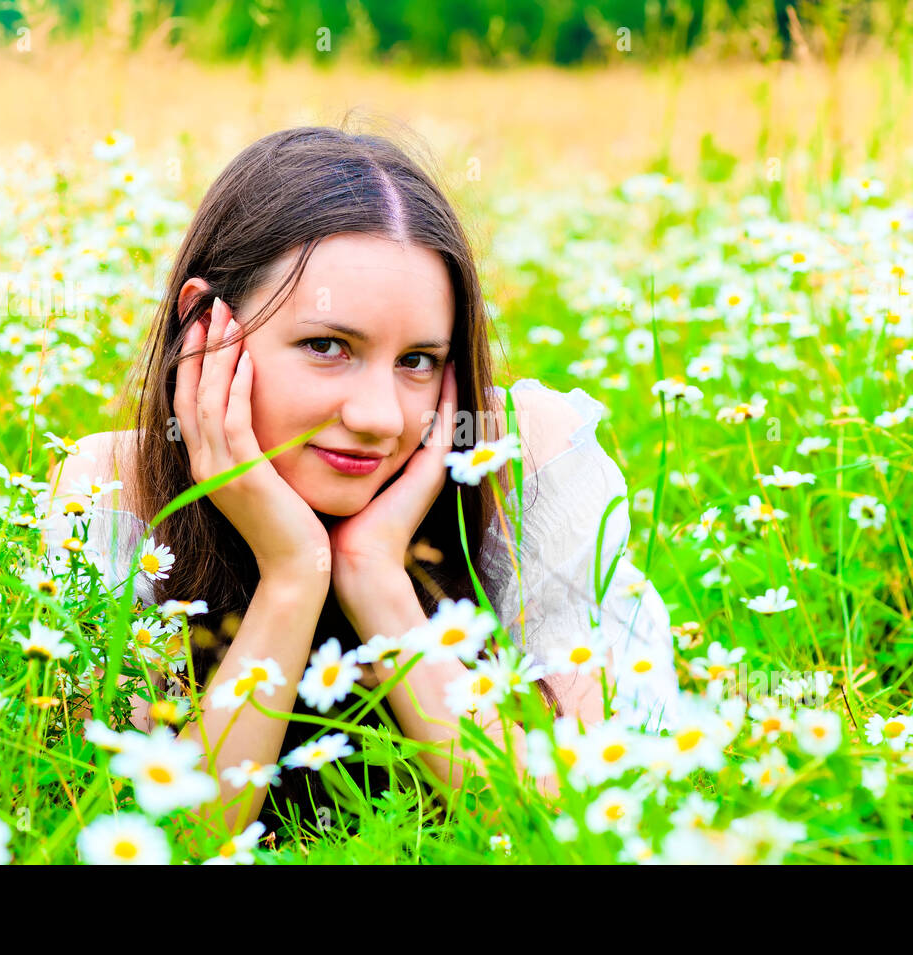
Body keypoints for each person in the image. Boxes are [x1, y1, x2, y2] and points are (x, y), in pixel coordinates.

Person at [40, 122, 678, 841]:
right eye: (327, 346)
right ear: (207, 327)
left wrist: (373, 575)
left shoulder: (523, 463)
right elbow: (152, 839)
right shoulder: (110, 491)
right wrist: (292, 573)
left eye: (418, 361)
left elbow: (576, 822)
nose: (379, 418)